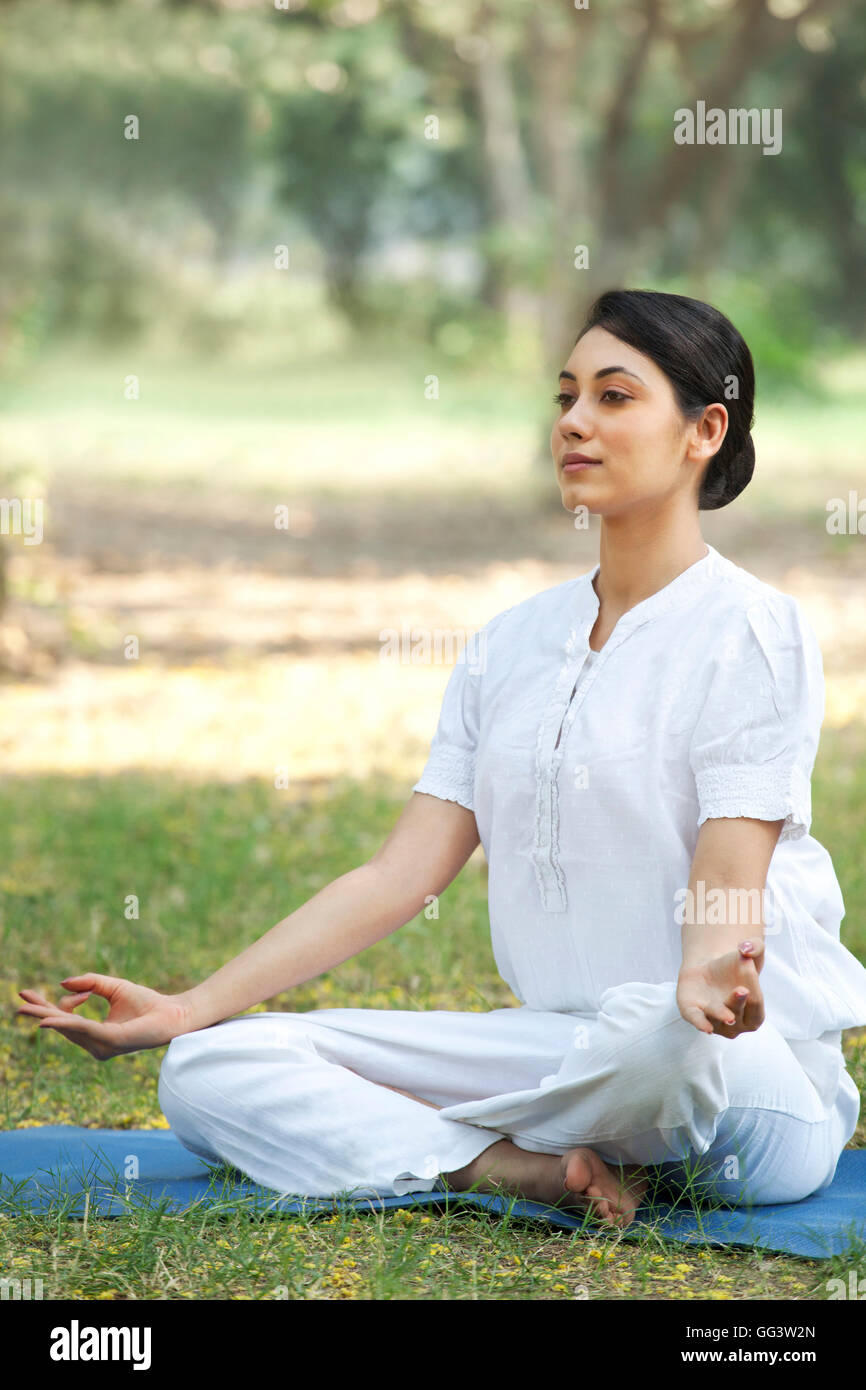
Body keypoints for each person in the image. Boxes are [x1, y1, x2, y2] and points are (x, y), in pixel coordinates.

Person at [17, 289, 866, 1230]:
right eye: (565, 397)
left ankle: (450, 1127)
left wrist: (707, 973)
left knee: (659, 1045)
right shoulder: (511, 643)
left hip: (729, 1066)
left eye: (615, 398)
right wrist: (190, 1006)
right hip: (557, 1049)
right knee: (212, 1070)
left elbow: (729, 865)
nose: (575, 422)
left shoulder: (751, 628)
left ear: (705, 429)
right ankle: (503, 1166)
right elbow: (397, 875)